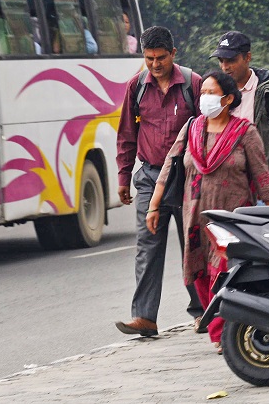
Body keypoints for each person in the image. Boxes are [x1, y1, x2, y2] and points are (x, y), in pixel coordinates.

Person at [145, 70, 269, 352]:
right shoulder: (191, 128)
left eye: (211, 93)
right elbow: (169, 167)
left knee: (226, 274)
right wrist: (153, 206)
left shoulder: (245, 132)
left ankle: (229, 330)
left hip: (232, 218)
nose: (204, 98)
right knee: (202, 274)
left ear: (228, 99)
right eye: (202, 93)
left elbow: (262, 176)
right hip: (195, 217)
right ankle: (219, 333)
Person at [115, 26, 203, 337]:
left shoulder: (193, 84)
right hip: (150, 177)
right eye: (149, 58)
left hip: (186, 177)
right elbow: (126, 135)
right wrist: (124, 176)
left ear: (173, 54)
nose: (155, 64)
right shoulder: (136, 87)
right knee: (147, 247)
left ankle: (202, 311)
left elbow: (207, 130)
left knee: (193, 245)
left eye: (161, 58)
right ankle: (144, 317)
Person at [211, 31, 269, 204]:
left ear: (247, 57)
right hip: (231, 184)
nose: (225, 67)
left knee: (266, 230)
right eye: (221, 61)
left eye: (231, 60)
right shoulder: (218, 94)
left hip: (268, 184)